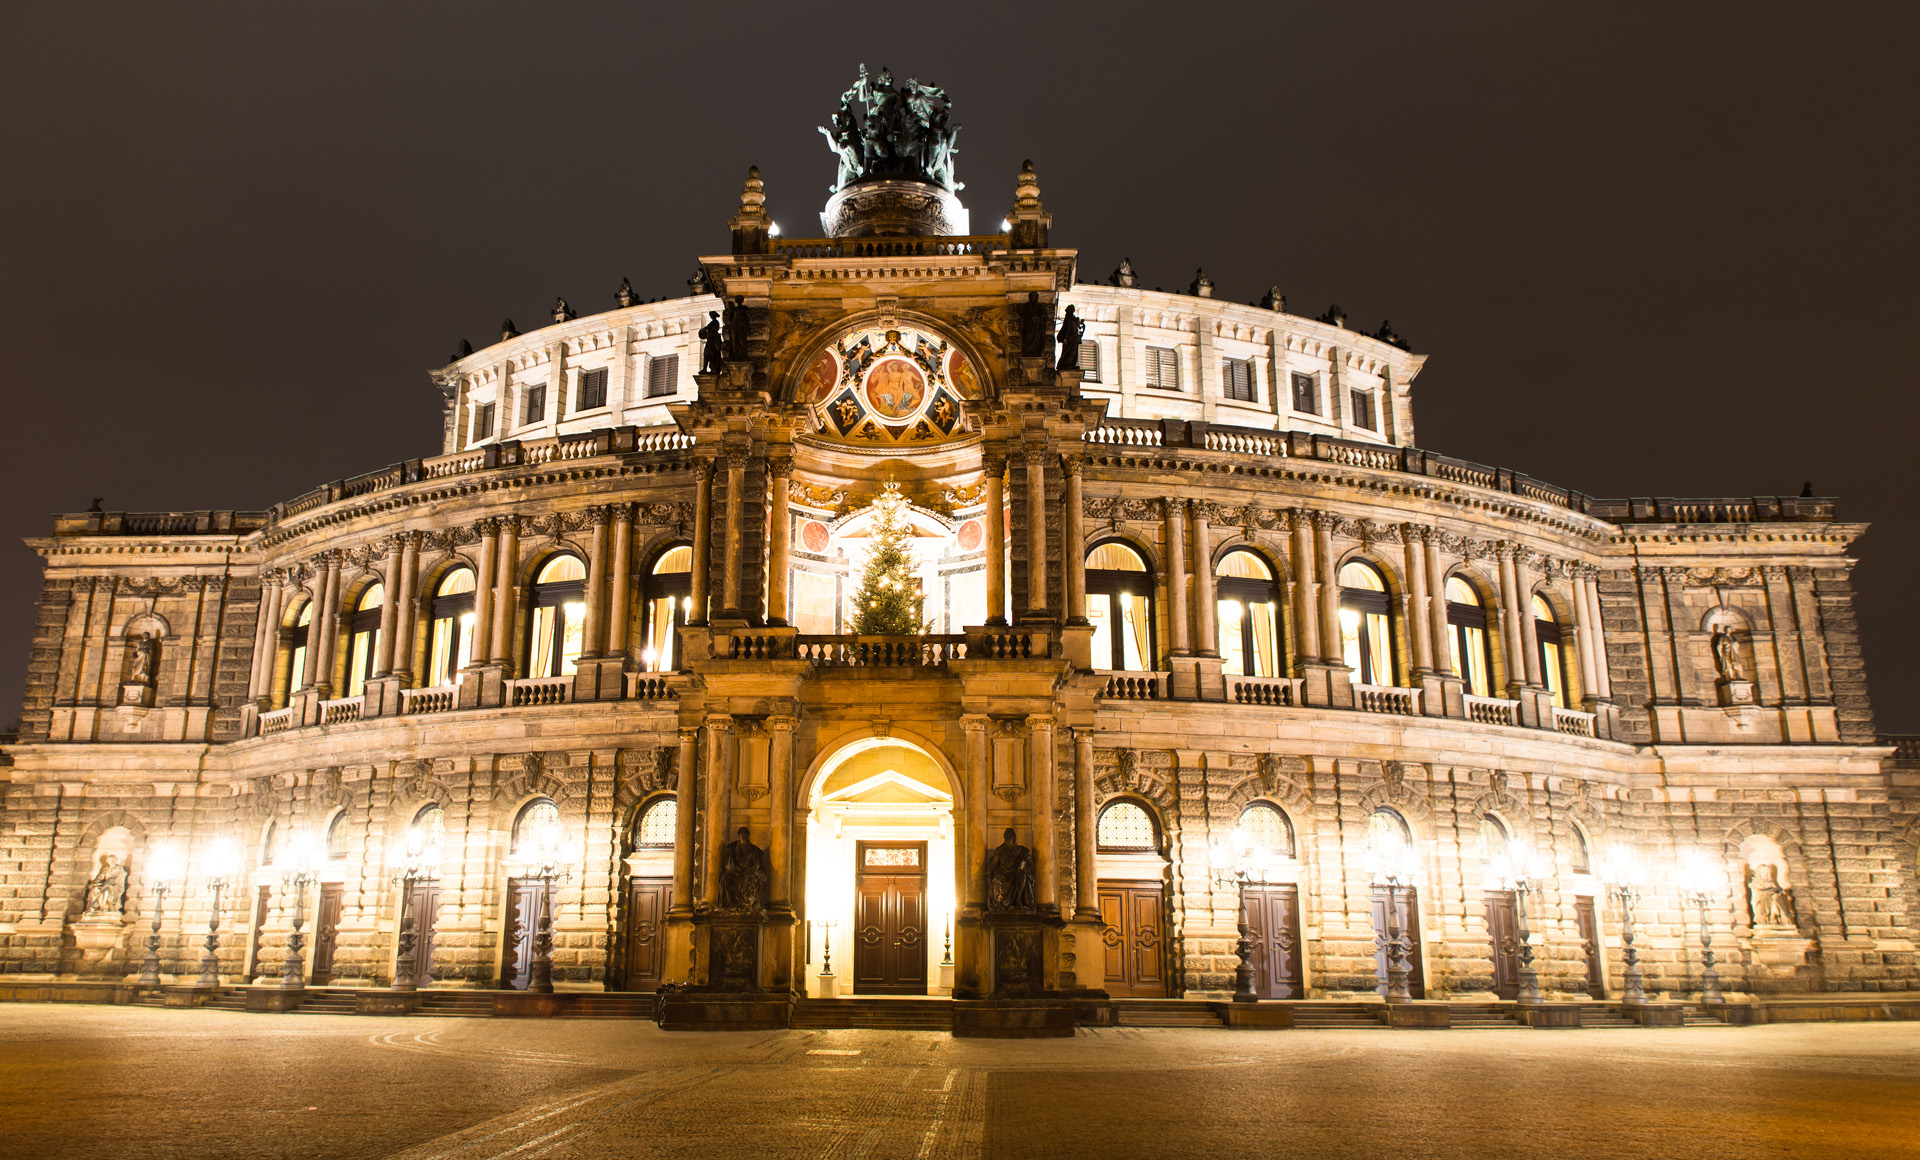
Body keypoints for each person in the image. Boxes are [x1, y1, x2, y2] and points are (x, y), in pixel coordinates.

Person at [984, 827, 1036, 911]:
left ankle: (1018, 897)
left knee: (1023, 875)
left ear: (1013, 838)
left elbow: (1028, 859)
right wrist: (989, 871)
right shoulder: (1000, 850)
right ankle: (1003, 903)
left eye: (1010, 838)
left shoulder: (1020, 850)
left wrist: (1028, 859)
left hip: (1016, 872)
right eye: (1007, 839)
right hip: (1002, 872)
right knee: (999, 878)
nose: (1008, 841)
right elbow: (993, 863)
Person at [718, 827, 769, 912]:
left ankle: (748, 905)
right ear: (738, 836)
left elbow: (756, 864)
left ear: (747, 837)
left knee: (750, 879)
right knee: (726, 878)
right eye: (742, 836)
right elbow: (728, 864)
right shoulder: (732, 848)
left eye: (745, 836)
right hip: (736, 872)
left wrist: (749, 870)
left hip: (748, 873)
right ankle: (731, 904)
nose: (743, 838)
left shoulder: (753, 849)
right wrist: (735, 868)